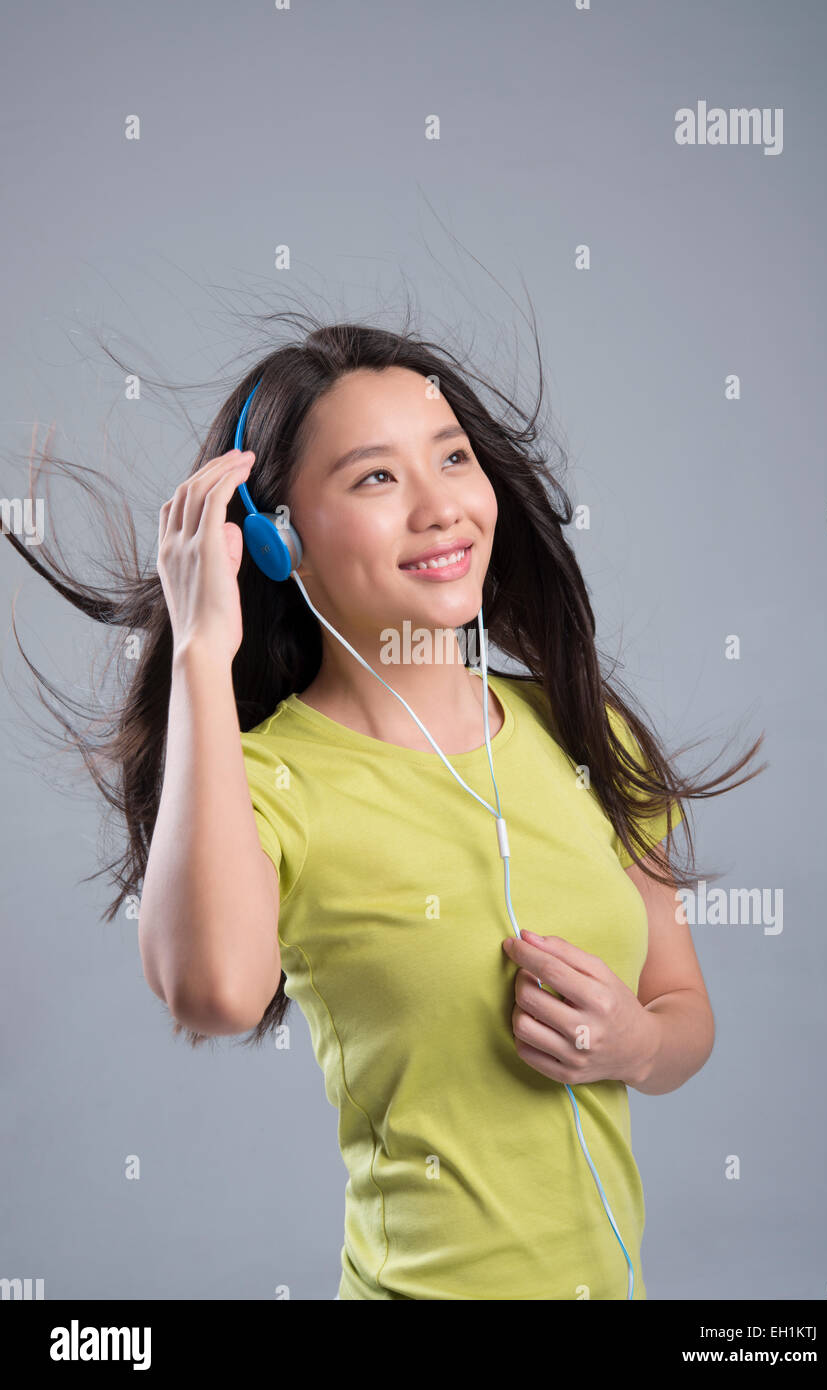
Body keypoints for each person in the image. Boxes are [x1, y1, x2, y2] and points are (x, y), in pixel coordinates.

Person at [4, 313, 765, 1300]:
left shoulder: (584, 727)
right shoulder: (268, 781)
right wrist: (199, 649)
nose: (441, 506)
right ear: (280, 544)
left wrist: (638, 1044)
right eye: (375, 477)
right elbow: (214, 991)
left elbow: (682, 1008)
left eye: (452, 458)